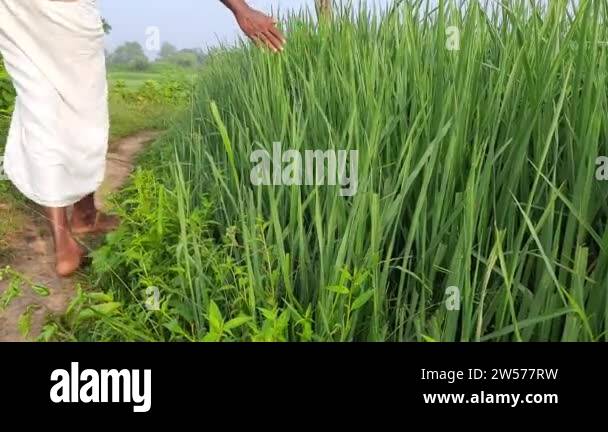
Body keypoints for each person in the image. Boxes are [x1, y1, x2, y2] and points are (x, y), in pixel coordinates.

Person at [0, 0, 285, 277]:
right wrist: (241, 8)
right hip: (63, 13)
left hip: (15, 10)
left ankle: (76, 227)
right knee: (83, 108)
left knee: (41, 106)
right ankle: (77, 228)